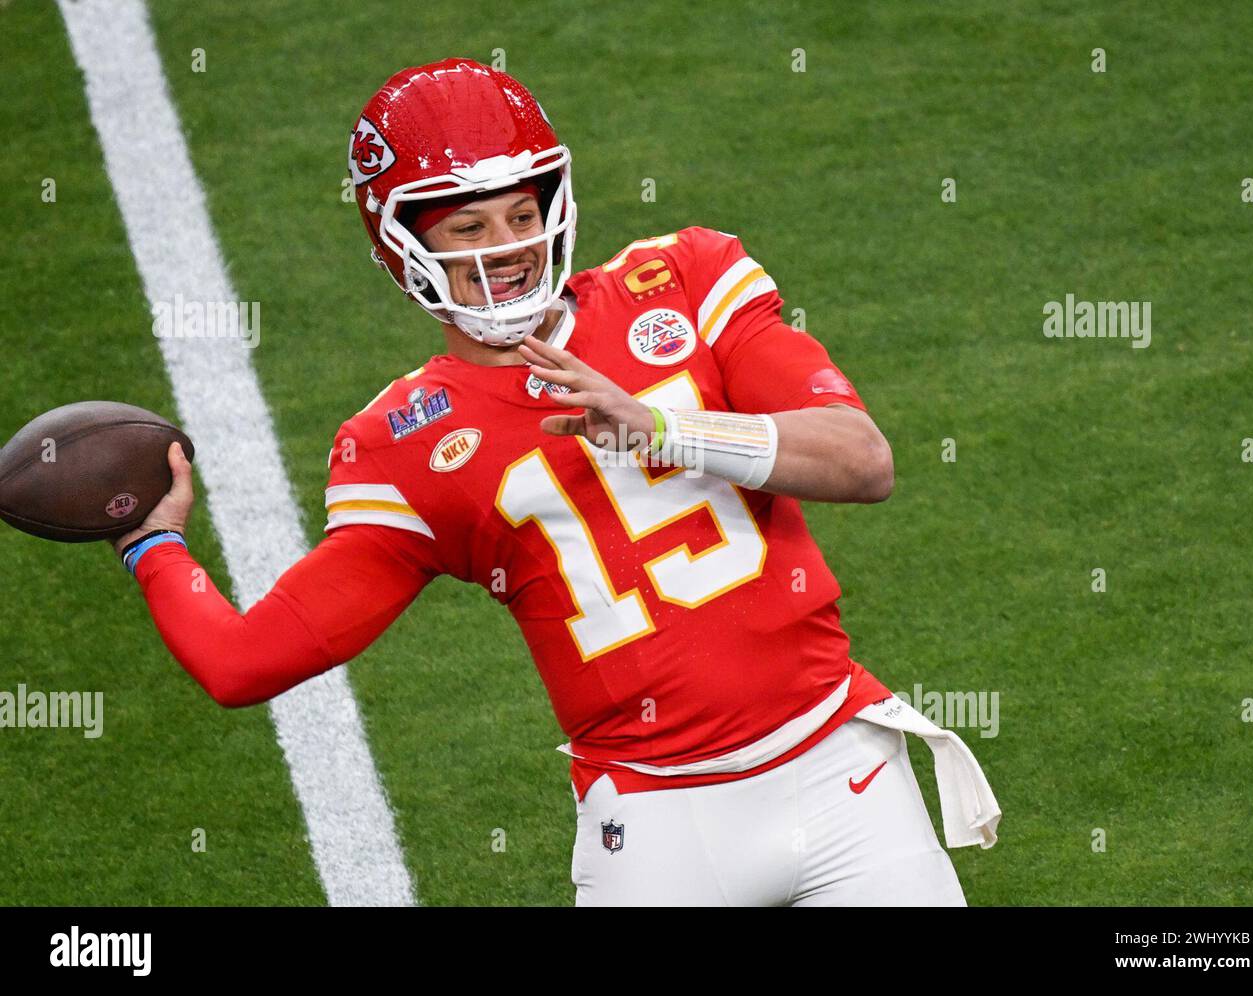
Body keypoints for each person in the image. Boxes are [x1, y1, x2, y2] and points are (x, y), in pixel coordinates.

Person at [114, 58, 999, 906]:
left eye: (518, 212)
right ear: (402, 244)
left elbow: (862, 460)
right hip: (660, 826)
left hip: (841, 770)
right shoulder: (404, 443)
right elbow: (242, 664)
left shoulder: (682, 281)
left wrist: (661, 427)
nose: (507, 247)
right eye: (468, 227)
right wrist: (153, 544)